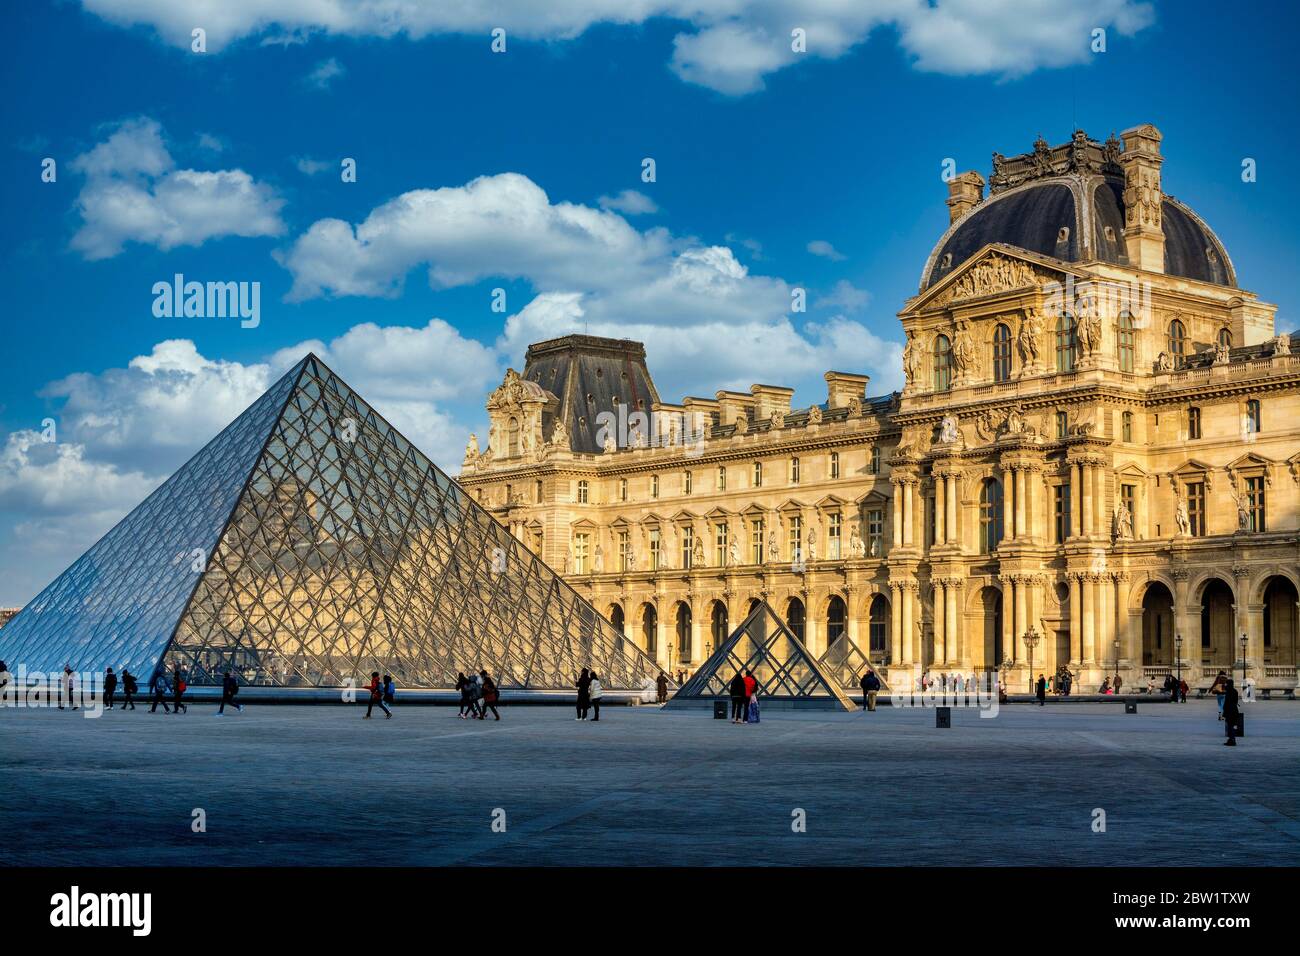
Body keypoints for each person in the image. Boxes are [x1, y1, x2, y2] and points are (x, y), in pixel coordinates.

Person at [1222, 678, 1241, 746]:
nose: (1225, 685)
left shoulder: (1228, 691)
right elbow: (1236, 701)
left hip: (1229, 710)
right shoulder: (1235, 691)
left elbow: (1227, 702)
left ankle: (1232, 740)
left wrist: (1224, 711)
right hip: (1234, 709)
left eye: (1226, 683)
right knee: (1232, 726)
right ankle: (1232, 739)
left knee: (1230, 726)